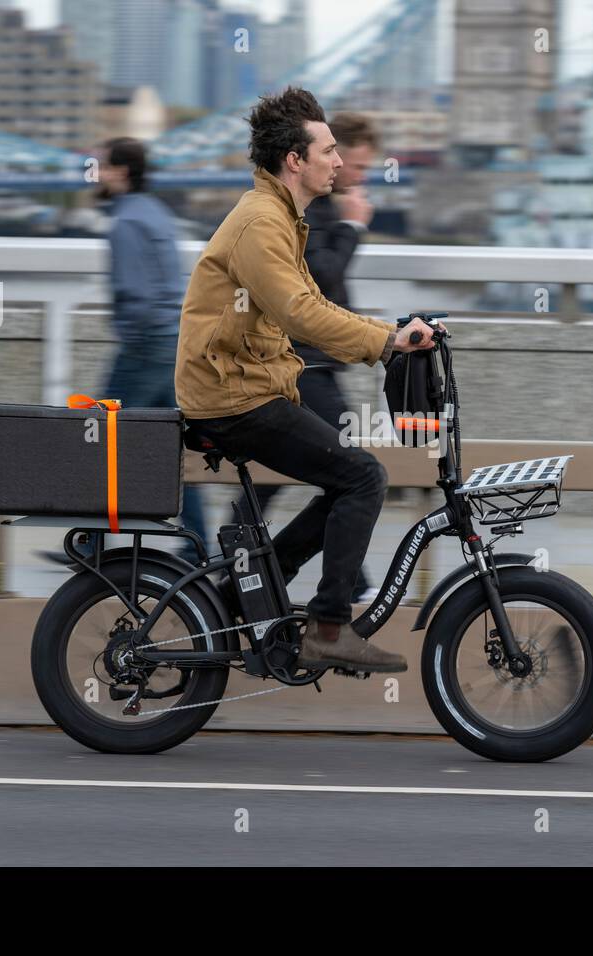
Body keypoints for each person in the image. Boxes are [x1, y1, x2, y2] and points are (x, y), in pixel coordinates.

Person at [175, 87, 439, 673]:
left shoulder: (281, 216)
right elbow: (301, 313)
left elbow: (313, 301)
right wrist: (386, 343)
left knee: (344, 477)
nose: (340, 162)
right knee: (363, 477)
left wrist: (391, 329)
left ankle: (257, 587)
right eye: (329, 150)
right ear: (295, 160)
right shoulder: (262, 223)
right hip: (232, 398)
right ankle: (328, 625)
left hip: (249, 386)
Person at [40, 137, 208, 566]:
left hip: (146, 346)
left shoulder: (127, 222)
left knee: (99, 435)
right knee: (168, 449)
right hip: (171, 342)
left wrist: (131, 339)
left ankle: (91, 544)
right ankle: (196, 545)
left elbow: (136, 293)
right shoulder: (156, 212)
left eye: (100, 165)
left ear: (121, 172)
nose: (93, 172)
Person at [237, 111, 381, 604]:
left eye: (353, 162)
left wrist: (384, 336)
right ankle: (335, 596)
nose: (347, 169)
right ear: (297, 160)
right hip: (300, 367)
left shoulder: (297, 210)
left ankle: (246, 571)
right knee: (354, 472)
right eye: (339, 157)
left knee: (309, 473)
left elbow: (319, 300)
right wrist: (352, 228)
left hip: (306, 363)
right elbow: (317, 286)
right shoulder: (296, 214)